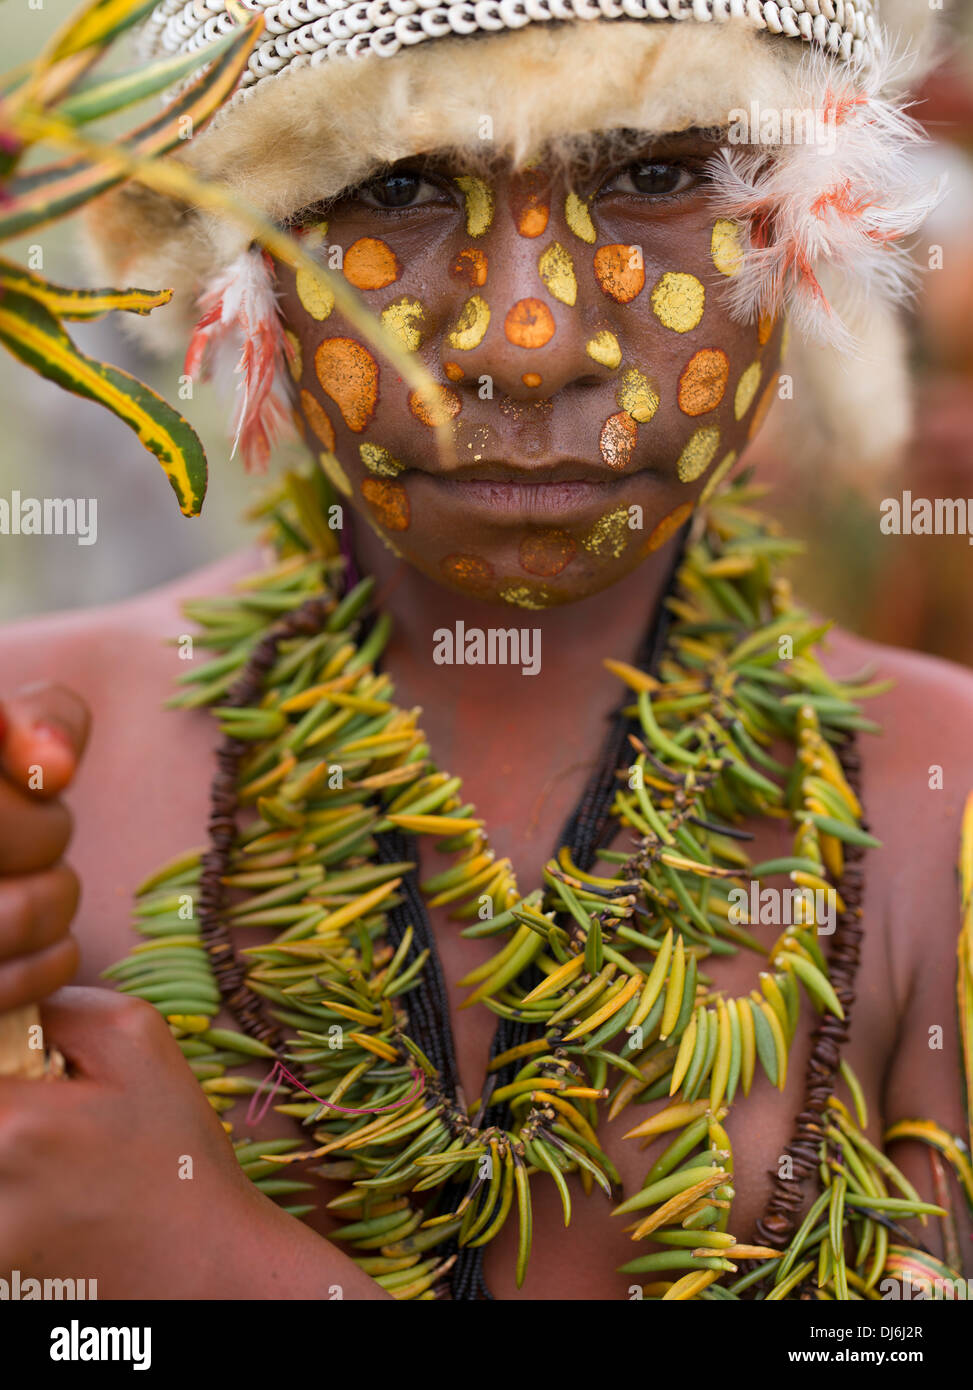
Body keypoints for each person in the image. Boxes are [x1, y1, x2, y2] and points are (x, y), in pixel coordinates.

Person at [0, 0, 971, 1301]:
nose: (532, 346)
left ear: (809, 226)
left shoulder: (940, 812)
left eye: (655, 173)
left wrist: (218, 1268)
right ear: (241, 260)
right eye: (395, 184)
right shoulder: (36, 774)